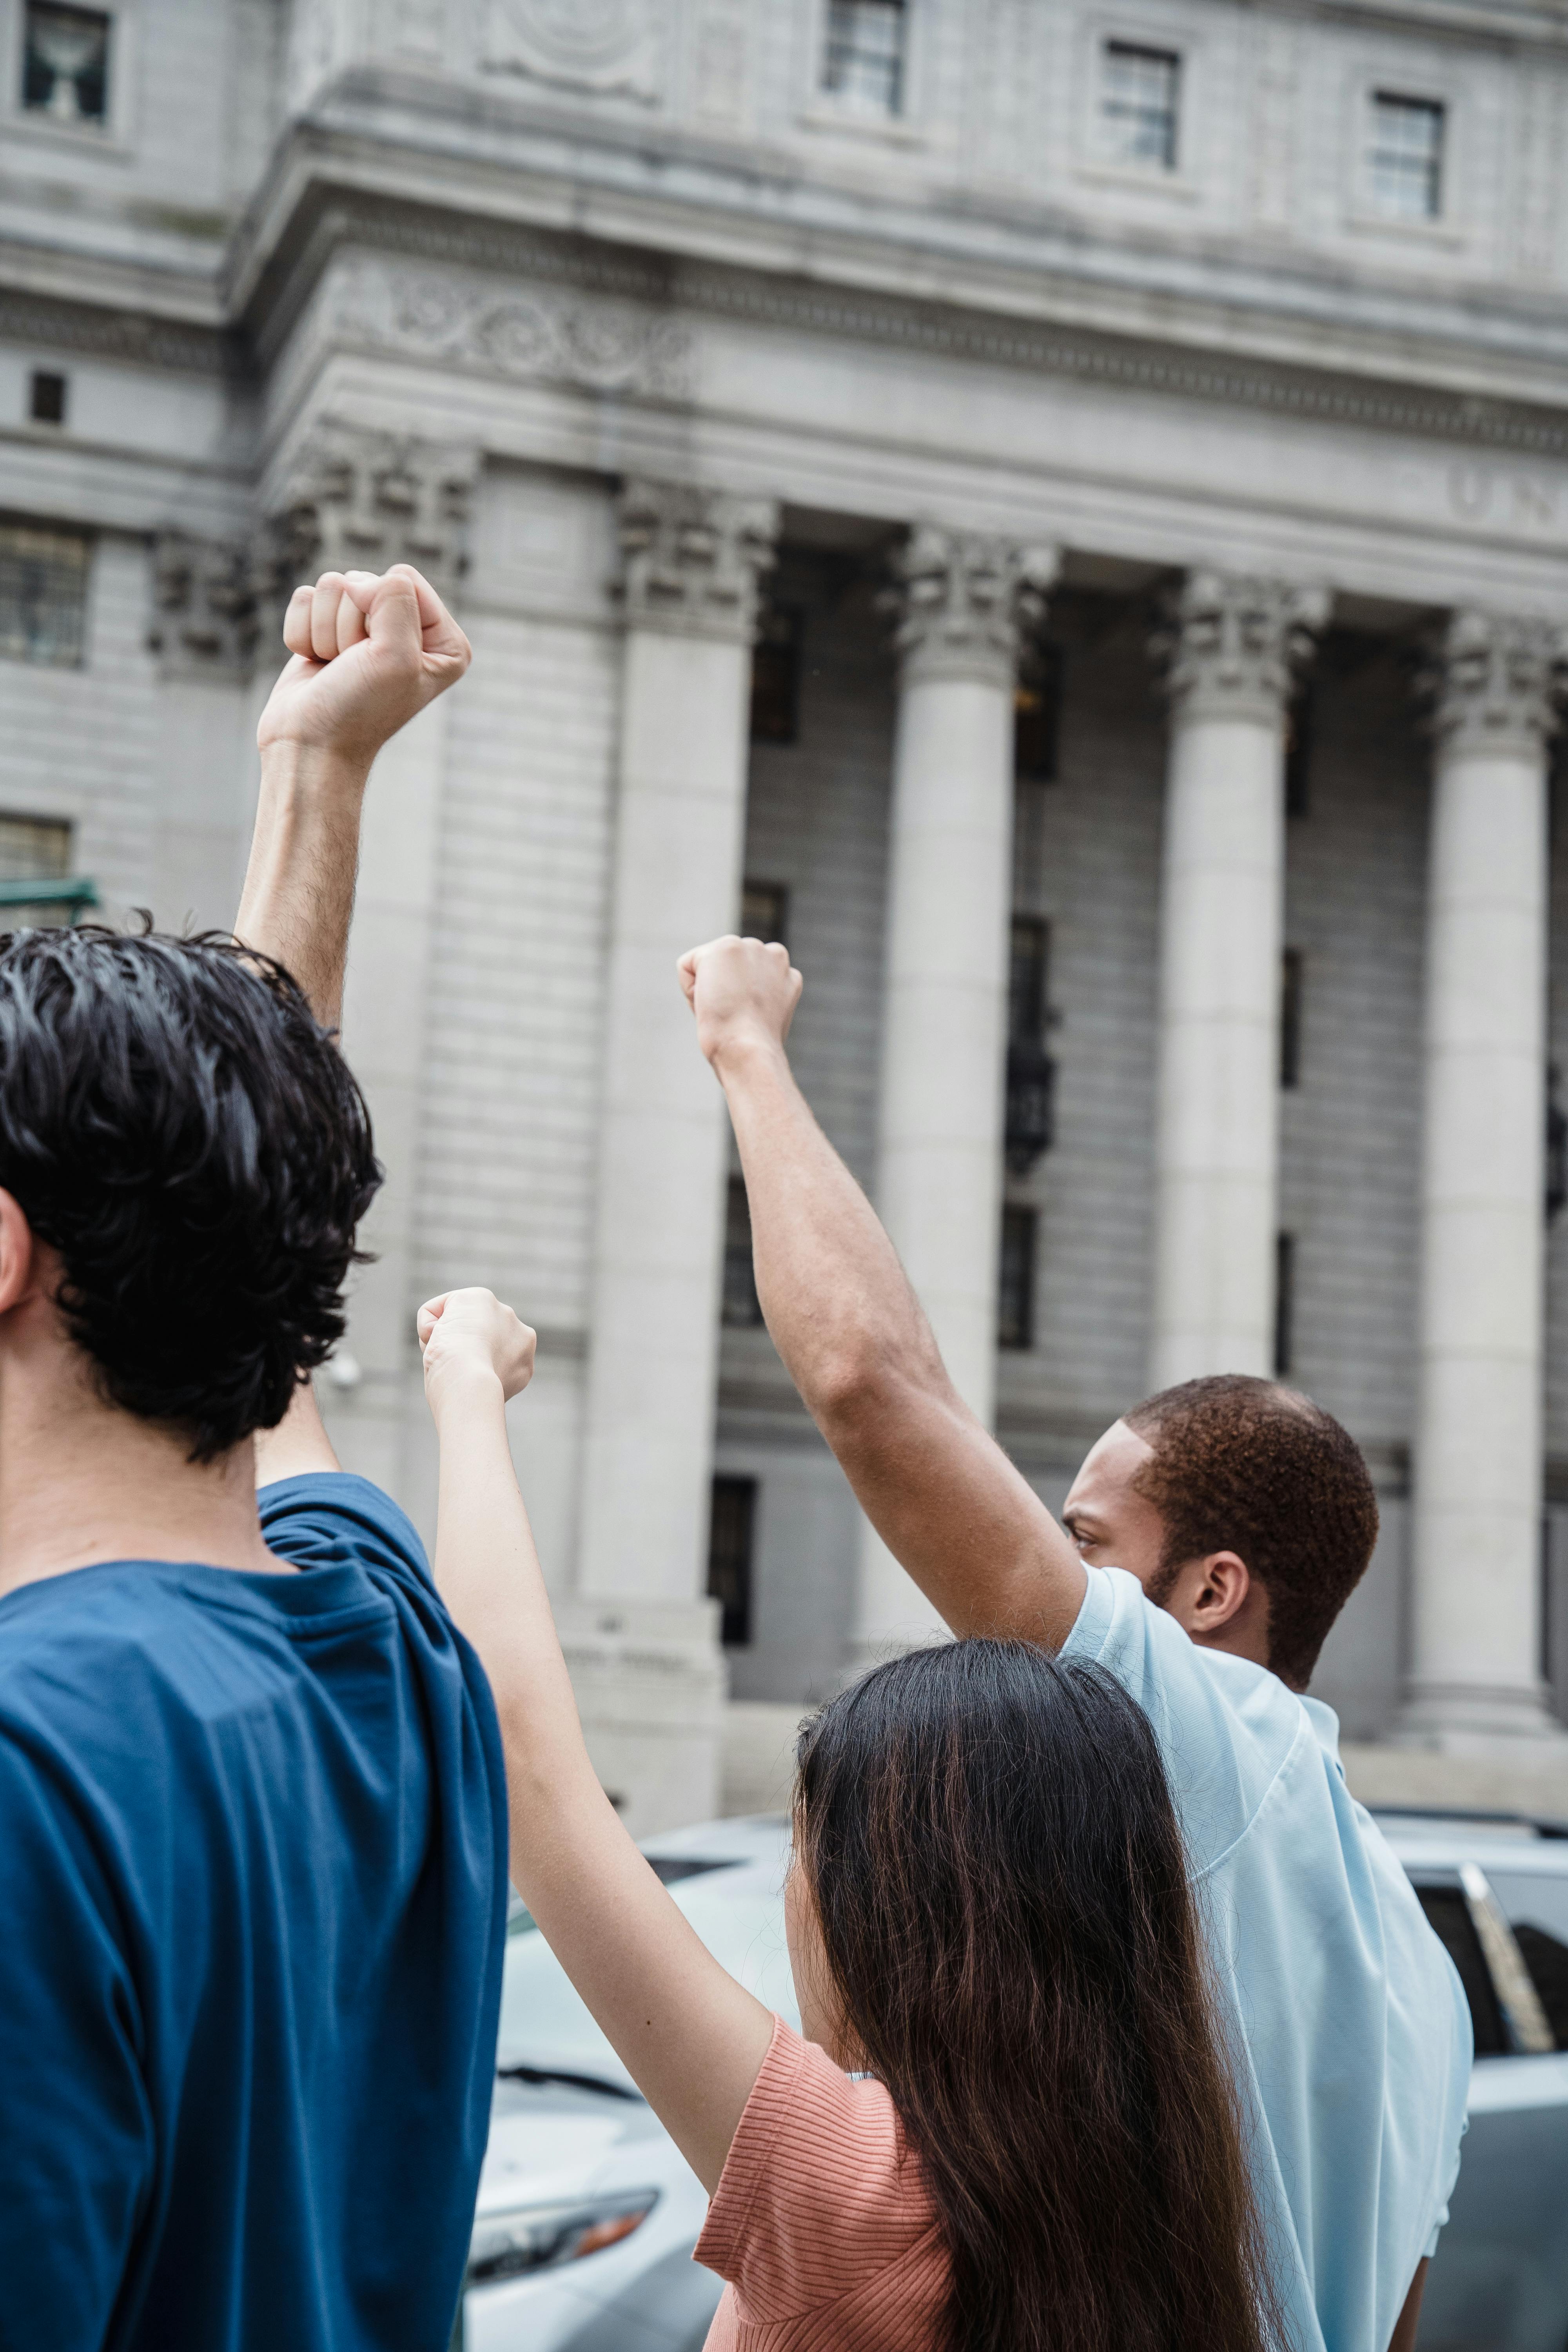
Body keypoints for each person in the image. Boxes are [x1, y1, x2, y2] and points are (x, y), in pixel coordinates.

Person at [675, 932, 1472, 2352]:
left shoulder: (1213, 1750)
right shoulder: (1422, 1969)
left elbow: (874, 1388)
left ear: (1212, 1593)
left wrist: (748, 1049)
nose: (1049, 1575)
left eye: (1088, 1544)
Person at [412, 1281, 1283, 2352]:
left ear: (896, 1909)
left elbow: (520, 1756)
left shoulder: (864, 2197)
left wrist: (466, 1389)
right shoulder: (1172, 2180)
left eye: (804, 1847)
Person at [0, 563, 505, 2352]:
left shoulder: (22, 1757)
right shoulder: (386, 1657)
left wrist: (320, 773)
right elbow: (247, 1202)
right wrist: (316, 773)